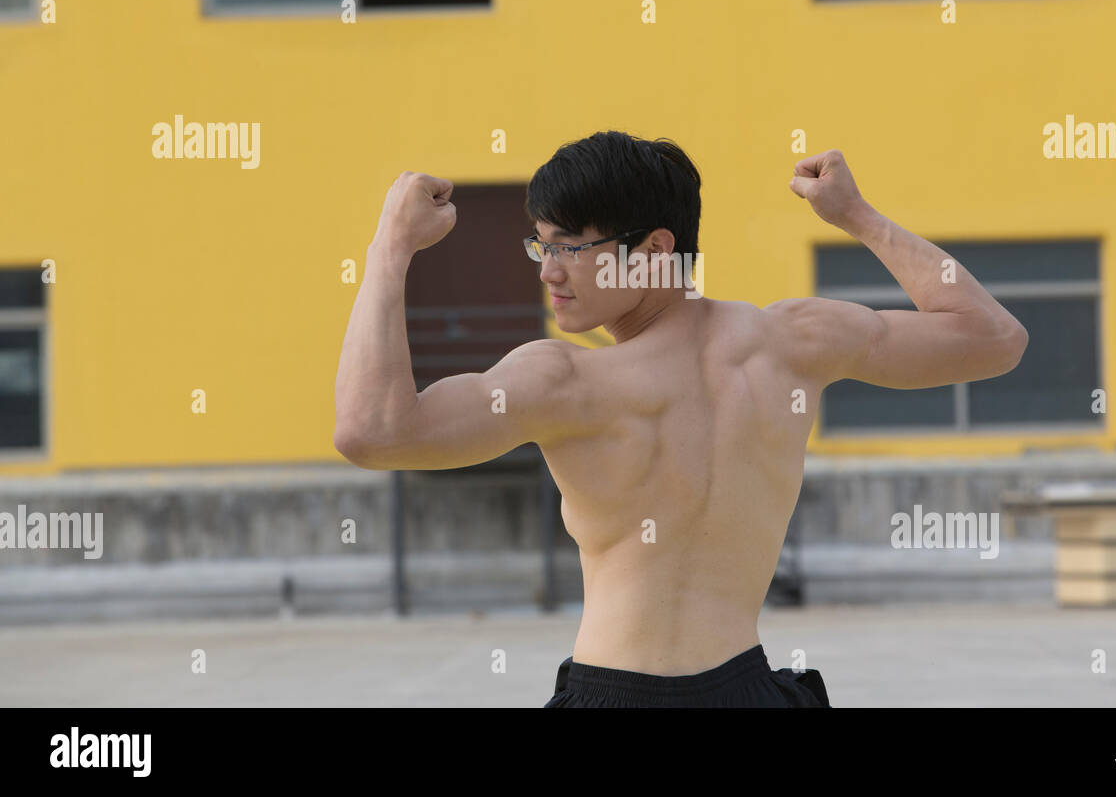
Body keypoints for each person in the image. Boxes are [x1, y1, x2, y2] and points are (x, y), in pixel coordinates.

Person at [333, 131, 1028, 707]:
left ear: (658, 249)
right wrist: (859, 219)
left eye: (571, 248)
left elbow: (372, 430)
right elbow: (993, 338)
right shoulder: (796, 341)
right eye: (540, 246)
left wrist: (389, 251)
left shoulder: (565, 379)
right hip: (746, 692)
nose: (548, 271)